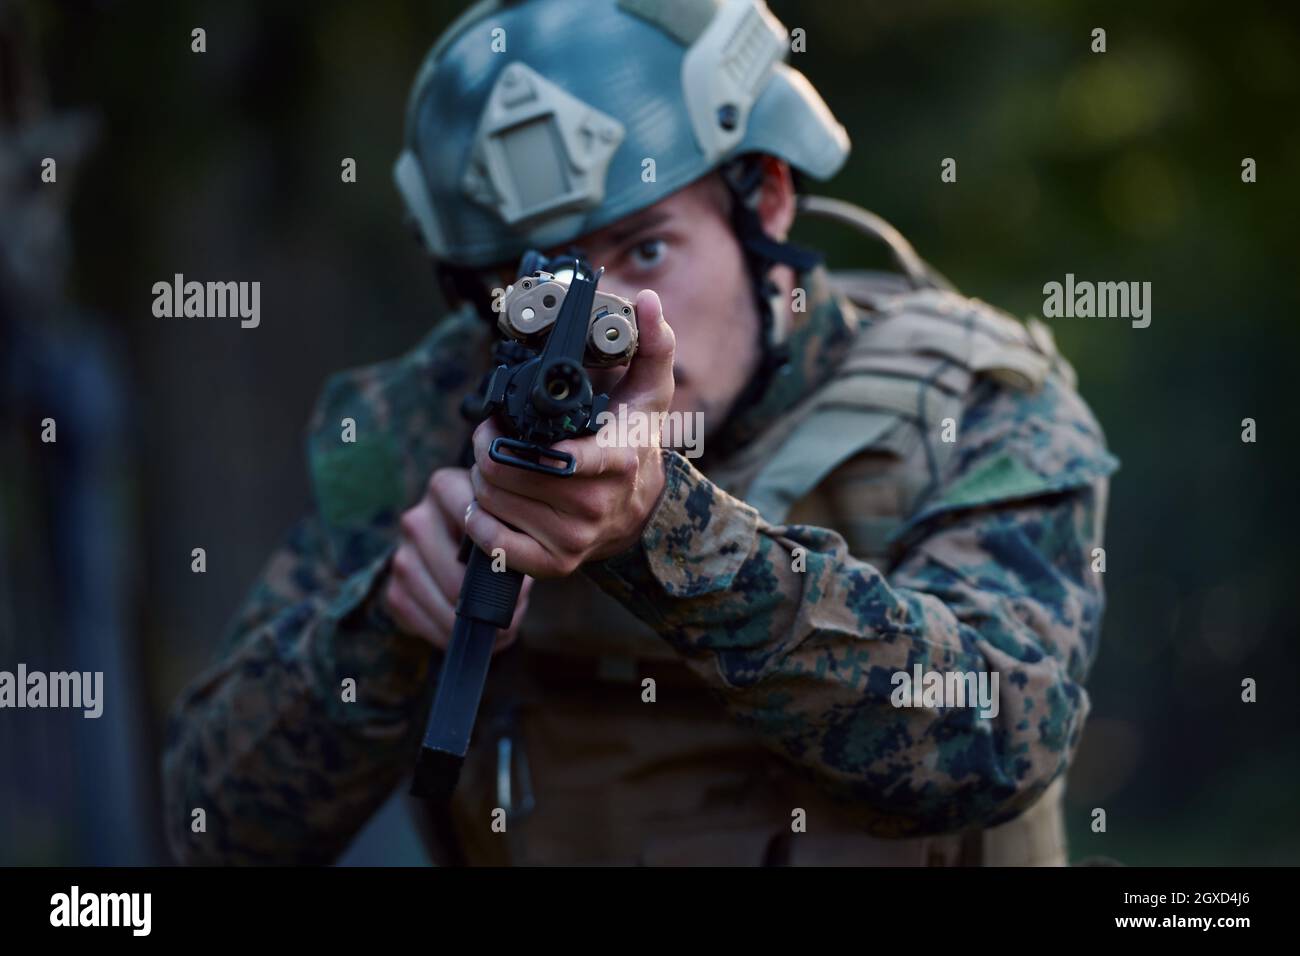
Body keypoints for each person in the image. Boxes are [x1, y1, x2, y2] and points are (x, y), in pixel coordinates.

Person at [162, 0, 1119, 866]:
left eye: (647, 249)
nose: (609, 323)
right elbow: (213, 825)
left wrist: (668, 529)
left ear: (769, 199)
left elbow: (998, 737)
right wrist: (388, 627)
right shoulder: (421, 423)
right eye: (536, 287)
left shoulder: (970, 401)